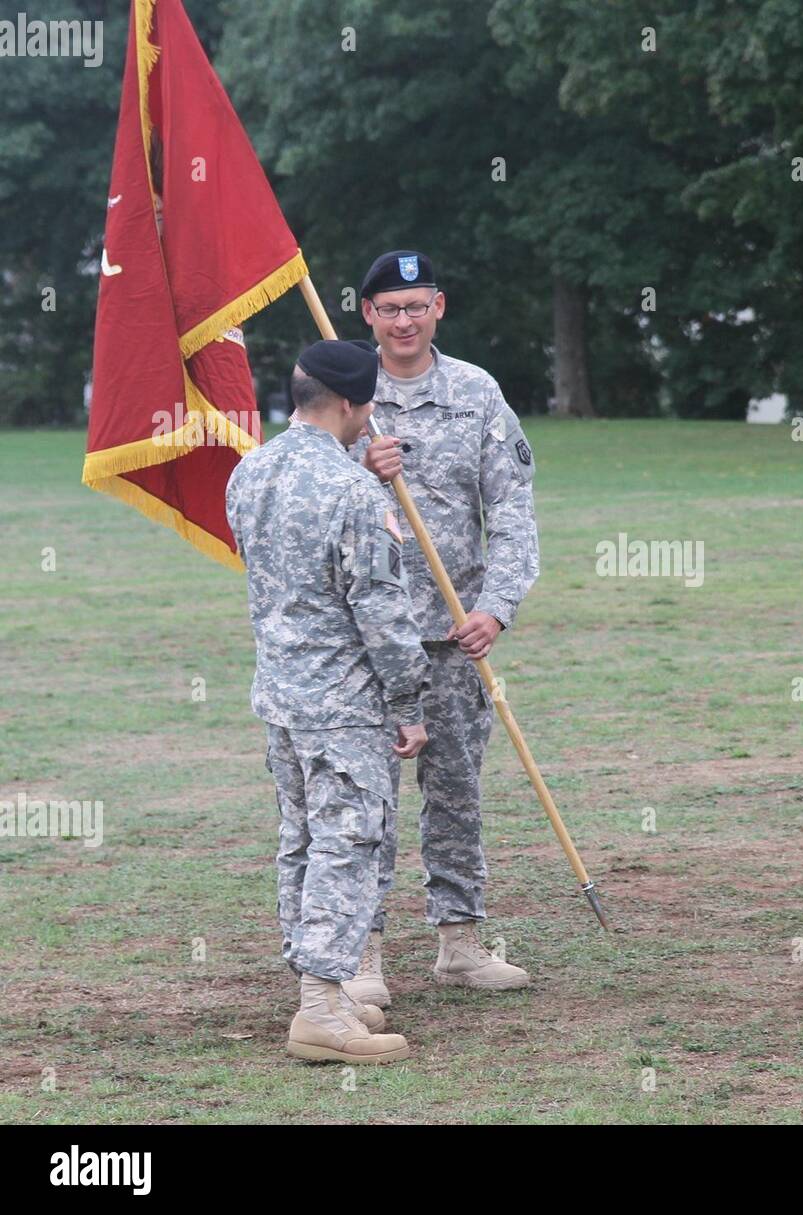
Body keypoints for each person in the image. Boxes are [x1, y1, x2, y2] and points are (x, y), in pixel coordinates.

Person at [226, 339, 434, 1062]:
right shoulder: (354, 493)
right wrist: (410, 703)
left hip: (280, 700)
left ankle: (327, 992)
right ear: (351, 404)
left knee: (303, 841)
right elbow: (383, 615)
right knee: (348, 846)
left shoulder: (249, 472)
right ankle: (321, 1008)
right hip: (344, 707)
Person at [342, 250, 540, 1005]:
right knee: (364, 797)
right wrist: (358, 462)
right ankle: (361, 954)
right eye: (388, 308)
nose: (402, 320)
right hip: (366, 638)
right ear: (367, 315)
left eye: (415, 306)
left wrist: (498, 605)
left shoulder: (475, 392)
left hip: (457, 634)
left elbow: (514, 509)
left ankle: (458, 941)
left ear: (439, 307)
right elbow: (292, 486)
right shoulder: (345, 392)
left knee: (456, 791)